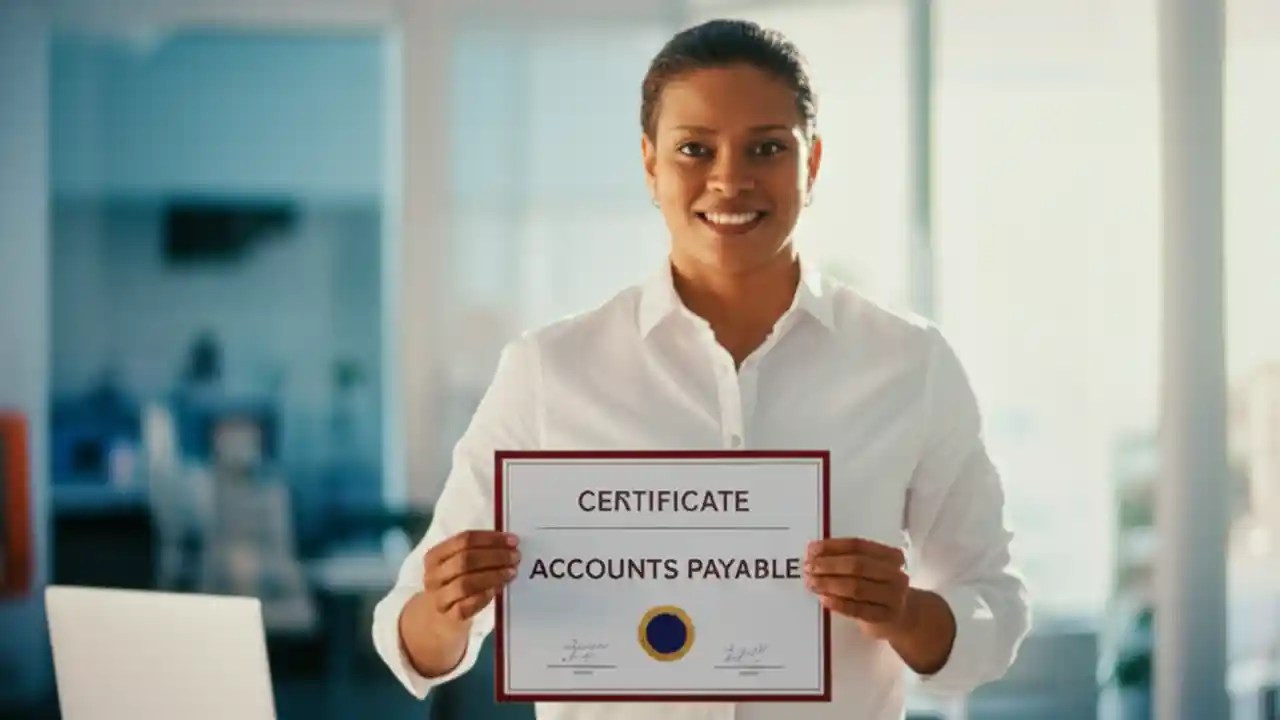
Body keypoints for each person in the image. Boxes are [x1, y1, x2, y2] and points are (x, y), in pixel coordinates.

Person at [372, 18, 1030, 720]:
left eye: (767, 148)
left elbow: (993, 607)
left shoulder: (909, 364)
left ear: (810, 165)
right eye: (695, 149)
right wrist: (447, 609)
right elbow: (409, 635)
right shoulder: (548, 371)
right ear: (650, 165)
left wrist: (905, 612)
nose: (729, 178)